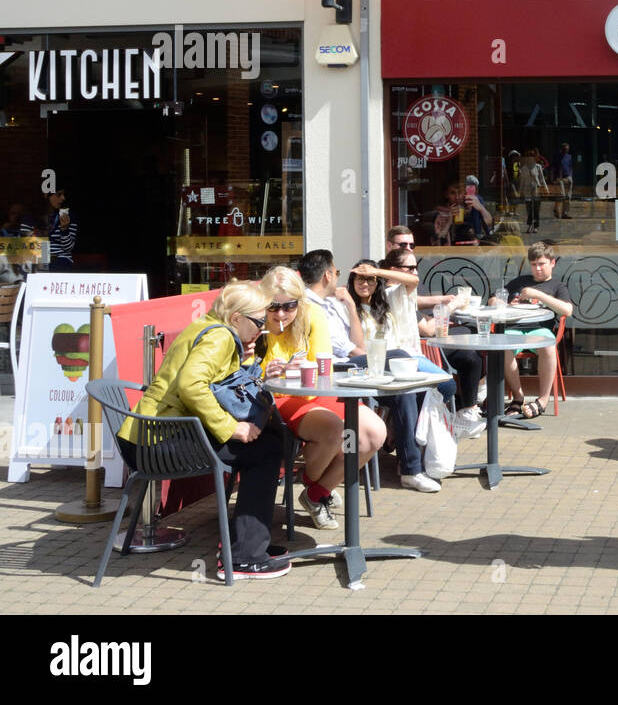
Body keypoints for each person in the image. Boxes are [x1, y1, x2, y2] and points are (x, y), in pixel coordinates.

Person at [117, 281, 290, 579]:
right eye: (258, 322)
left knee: (269, 442)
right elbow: (191, 385)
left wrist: (255, 369)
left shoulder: (206, 326)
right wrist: (231, 428)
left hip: (144, 437)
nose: (261, 329)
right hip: (157, 444)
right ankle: (245, 556)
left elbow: (217, 381)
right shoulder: (220, 337)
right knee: (268, 449)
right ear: (236, 318)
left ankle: (249, 543)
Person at [259, 266, 386, 529]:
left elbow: (321, 362)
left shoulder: (312, 314)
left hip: (313, 390)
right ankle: (319, 490)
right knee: (336, 431)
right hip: (274, 398)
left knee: (373, 433)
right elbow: (244, 368)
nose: (280, 314)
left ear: (299, 301)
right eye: (273, 307)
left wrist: (301, 368)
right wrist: (267, 372)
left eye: (289, 306)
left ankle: (316, 492)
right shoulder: (255, 318)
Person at [350, 250, 469, 492]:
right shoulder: (348, 308)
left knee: (419, 393)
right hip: (367, 372)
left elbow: (413, 281)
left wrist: (376, 271)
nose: (365, 283)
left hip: (397, 372)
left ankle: (410, 465)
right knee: (418, 376)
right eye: (359, 279)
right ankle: (412, 467)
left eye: (370, 279)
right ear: (351, 283)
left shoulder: (386, 301)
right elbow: (357, 349)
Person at [497, 241, 574, 419]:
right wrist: (505, 303)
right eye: (534, 265)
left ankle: (543, 400)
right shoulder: (519, 282)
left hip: (540, 330)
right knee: (501, 346)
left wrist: (538, 295)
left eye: (542, 264)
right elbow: (494, 300)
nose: (538, 269)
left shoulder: (557, 286)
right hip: (514, 328)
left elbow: (567, 310)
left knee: (548, 346)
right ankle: (518, 397)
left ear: (552, 263)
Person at [22, 190, 77, 269]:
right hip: (36, 262)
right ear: (46, 195)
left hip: (61, 263)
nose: (63, 198)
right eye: (59, 194)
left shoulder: (67, 216)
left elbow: (68, 248)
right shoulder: (30, 218)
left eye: (64, 194)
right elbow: (24, 248)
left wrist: (64, 229)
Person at [517, 150, 547, 234]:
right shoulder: (524, 168)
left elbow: (542, 178)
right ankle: (530, 224)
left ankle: (536, 226)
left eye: (531, 158)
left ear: (534, 158)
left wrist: (545, 188)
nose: (530, 159)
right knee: (529, 208)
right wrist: (520, 191)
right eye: (528, 158)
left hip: (536, 189)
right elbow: (521, 181)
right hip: (527, 190)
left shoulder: (538, 167)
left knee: (536, 208)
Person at [552, 142, 574, 219]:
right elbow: (554, 167)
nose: (566, 150)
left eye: (567, 149)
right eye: (565, 149)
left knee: (568, 197)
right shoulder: (557, 156)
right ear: (562, 149)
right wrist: (554, 178)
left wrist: (570, 175)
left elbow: (571, 166)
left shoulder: (569, 157)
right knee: (561, 196)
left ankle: (565, 213)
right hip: (559, 178)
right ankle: (556, 210)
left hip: (568, 177)